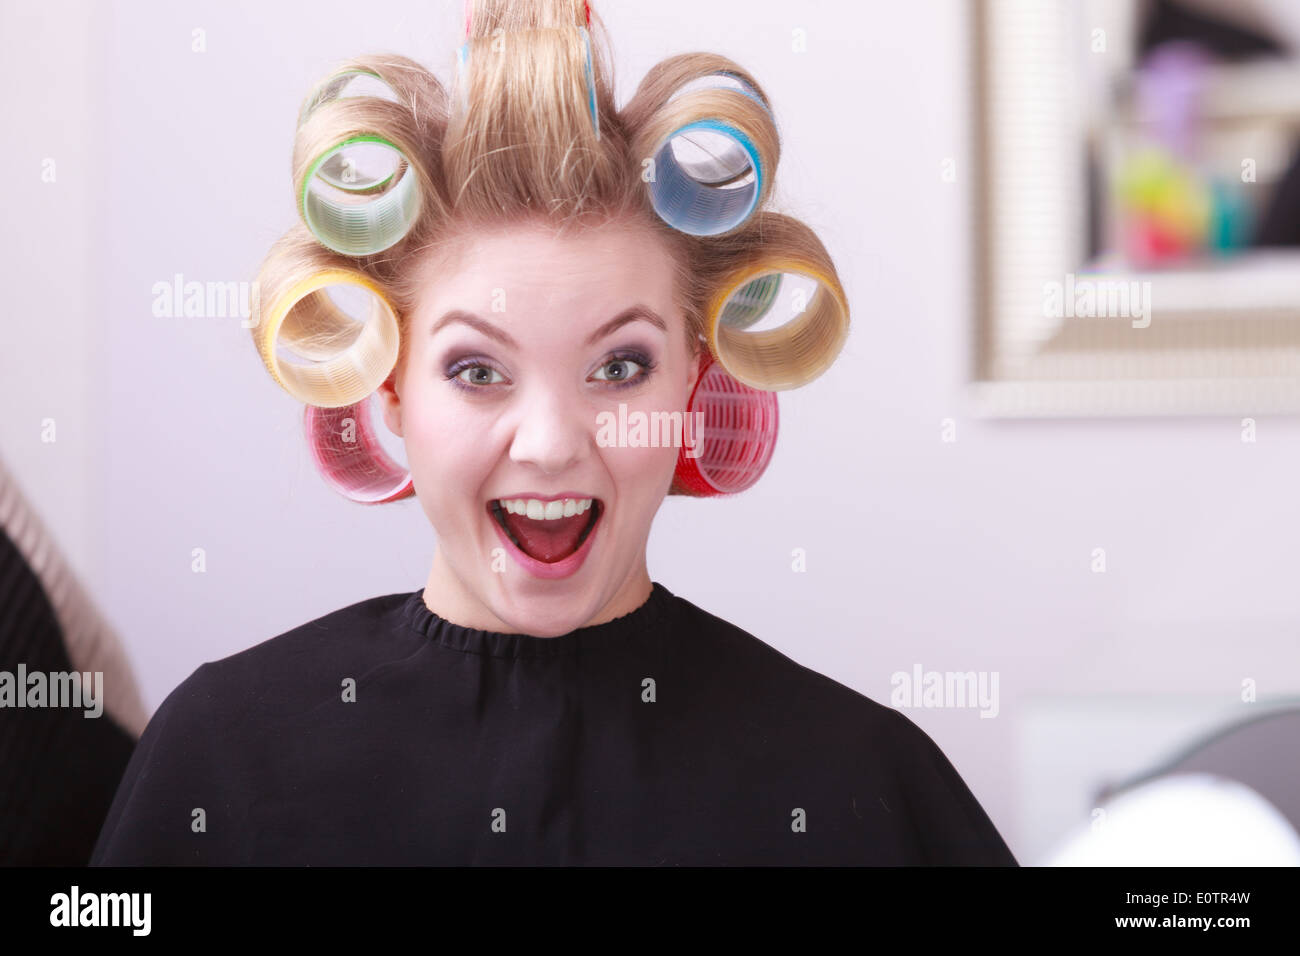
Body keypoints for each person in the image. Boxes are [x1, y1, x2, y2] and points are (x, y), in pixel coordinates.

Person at [90, 0, 1016, 866]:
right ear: (392, 390)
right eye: (477, 371)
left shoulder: (855, 779)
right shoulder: (224, 755)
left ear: (695, 377)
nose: (549, 443)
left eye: (619, 368)